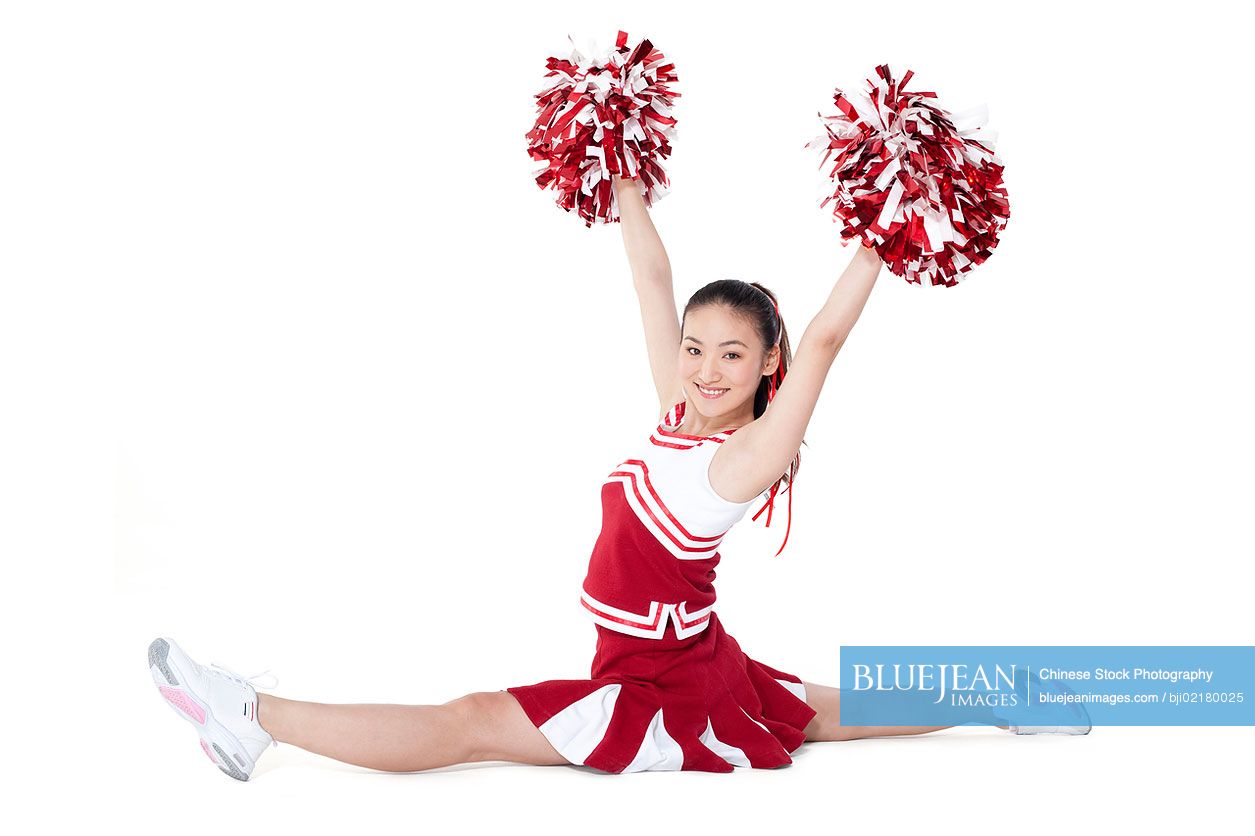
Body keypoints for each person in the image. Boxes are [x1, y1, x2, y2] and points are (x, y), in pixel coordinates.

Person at [146, 175, 1088, 782]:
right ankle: (1003, 695)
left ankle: (250, 715)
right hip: (677, 652)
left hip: (663, 679)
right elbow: (650, 278)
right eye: (693, 348)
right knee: (827, 715)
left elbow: (828, 342)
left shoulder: (741, 458)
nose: (704, 369)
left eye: (731, 356)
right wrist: (620, 160)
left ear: (769, 368)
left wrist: (886, 222)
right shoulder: (678, 414)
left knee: (473, 720)